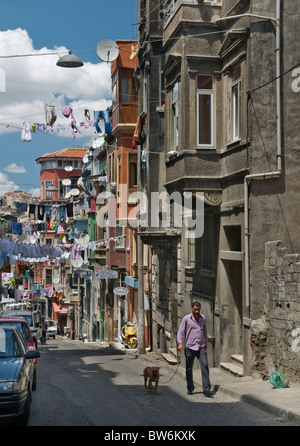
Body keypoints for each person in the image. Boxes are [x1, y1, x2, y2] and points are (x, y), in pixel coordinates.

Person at [177, 301, 213, 397]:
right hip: (189, 347)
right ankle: (190, 387)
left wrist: (205, 342)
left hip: (200, 346)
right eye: (195, 309)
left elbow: (204, 330)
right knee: (189, 368)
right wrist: (180, 343)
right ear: (192, 309)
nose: (197, 311)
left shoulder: (203, 318)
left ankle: (206, 389)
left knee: (205, 365)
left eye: (198, 309)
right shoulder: (186, 319)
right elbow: (181, 331)